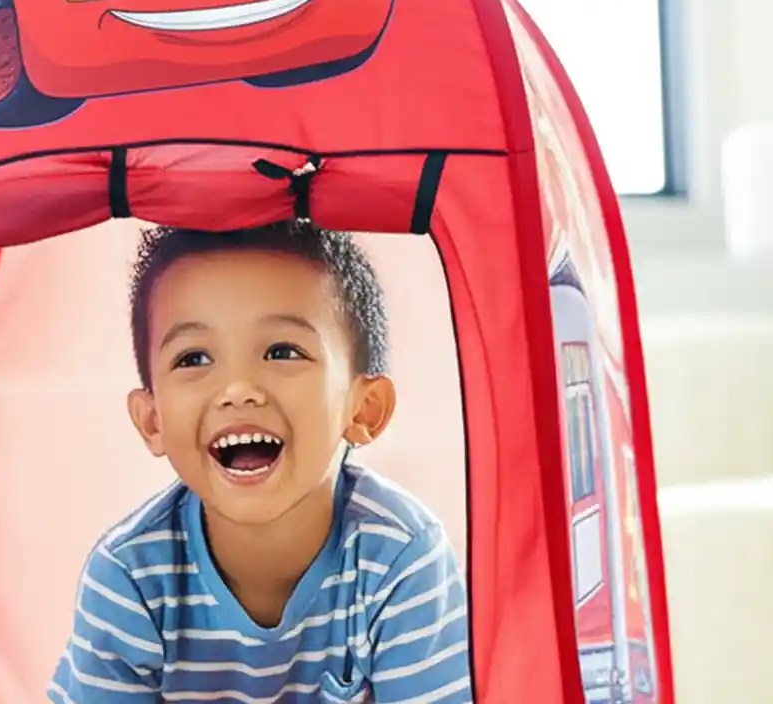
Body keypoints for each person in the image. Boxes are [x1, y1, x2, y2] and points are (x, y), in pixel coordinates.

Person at [48, 220, 472, 703]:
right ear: (152, 420)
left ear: (363, 408)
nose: (237, 390)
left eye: (282, 351)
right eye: (194, 359)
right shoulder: (128, 578)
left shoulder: (400, 560)